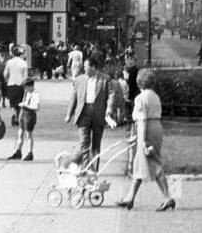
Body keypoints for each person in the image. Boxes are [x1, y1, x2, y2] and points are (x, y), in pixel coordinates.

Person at [117, 68, 174, 211]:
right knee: (139, 162)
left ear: (139, 82)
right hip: (156, 127)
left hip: (146, 129)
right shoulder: (155, 96)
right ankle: (130, 198)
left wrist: (141, 141)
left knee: (152, 161)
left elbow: (142, 121)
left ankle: (168, 197)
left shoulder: (140, 98)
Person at [65, 52, 110, 173]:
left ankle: (94, 171)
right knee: (84, 143)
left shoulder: (105, 79)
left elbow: (110, 96)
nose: (84, 69)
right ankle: (86, 168)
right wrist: (69, 113)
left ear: (94, 67)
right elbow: (73, 97)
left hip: (98, 115)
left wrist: (110, 110)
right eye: (83, 67)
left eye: (86, 67)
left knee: (95, 146)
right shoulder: (79, 80)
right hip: (83, 114)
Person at [10, 76, 40, 161]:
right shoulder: (27, 93)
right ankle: (18, 151)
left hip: (30, 114)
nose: (25, 89)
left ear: (30, 86)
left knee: (28, 134)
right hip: (23, 113)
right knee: (20, 133)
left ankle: (30, 153)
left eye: (26, 87)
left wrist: (25, 105)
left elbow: (36, 107)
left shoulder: (35, 94)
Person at [3, 45, 28, 127]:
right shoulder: (24, 63)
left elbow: (5, 74)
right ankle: (17, 118)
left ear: (13, 54)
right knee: (20, 102)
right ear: (20, 54)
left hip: (11, 83)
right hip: (20, 84)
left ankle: (15, 114)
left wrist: (6, 81)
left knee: (13, 102)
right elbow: (25, 77)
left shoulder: (9, 62)